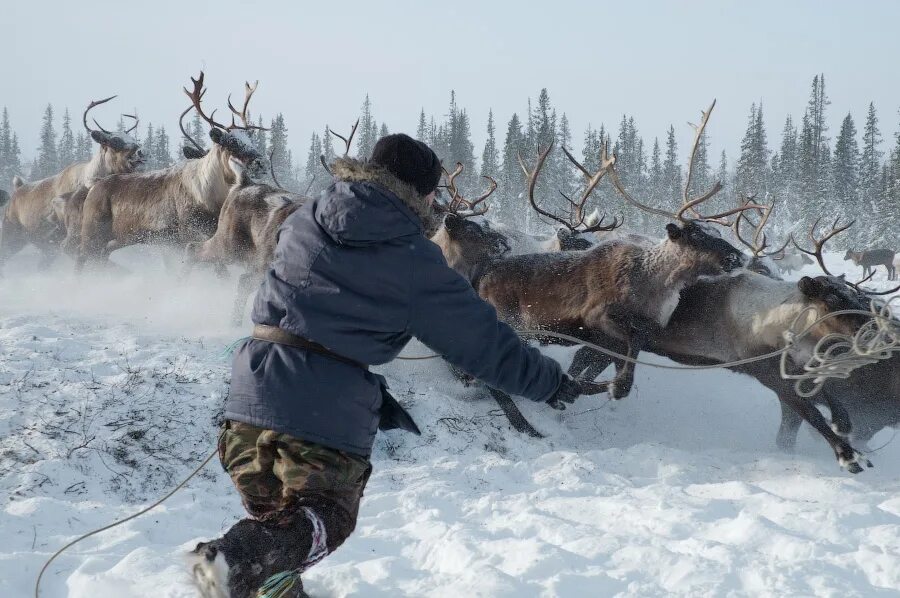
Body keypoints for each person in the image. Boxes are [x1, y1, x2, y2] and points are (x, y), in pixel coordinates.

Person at [188, 134, 602, 598]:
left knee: (280, 536)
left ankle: (250, 574)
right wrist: (549, 381)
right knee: (325, 517)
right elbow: (480, 342)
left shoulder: (305, 218)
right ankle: (228, 559)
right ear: (419, 193)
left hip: (248, 400)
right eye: (433, 192)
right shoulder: (410, 257)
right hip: (318, 416)